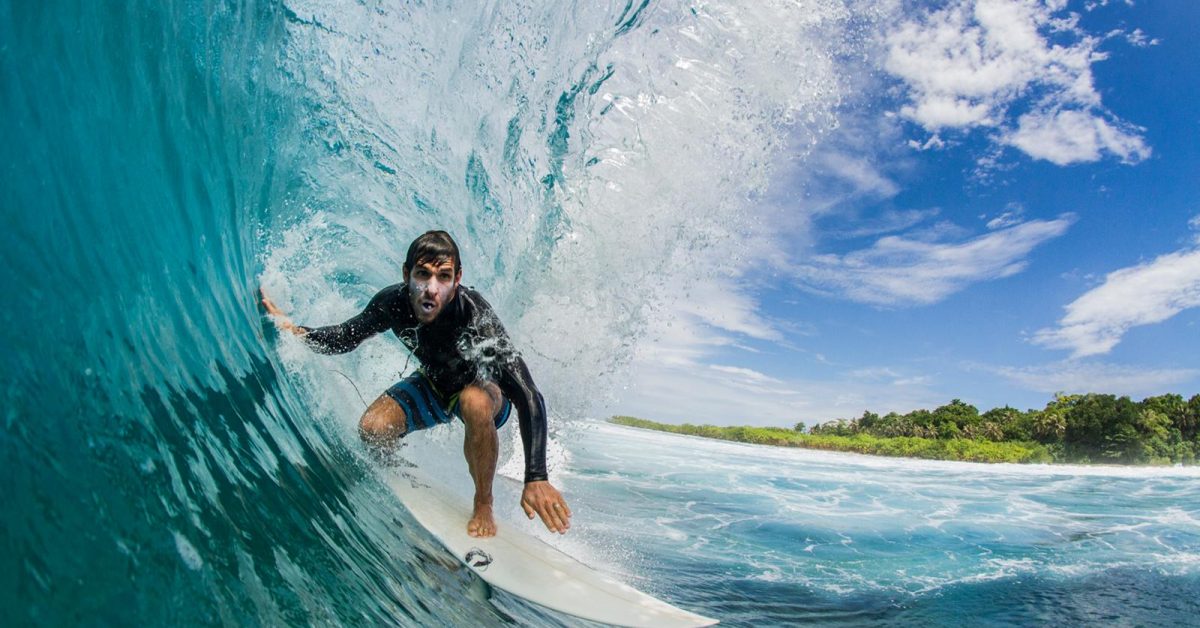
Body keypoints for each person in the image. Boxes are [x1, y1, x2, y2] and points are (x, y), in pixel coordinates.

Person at [260, 230, 571, 538]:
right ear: (406, 274)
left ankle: (483, 503)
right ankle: (397, 470)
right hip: (434, 386)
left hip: (485, 393)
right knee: (372, 429)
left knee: (473, 401)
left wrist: (536, 476)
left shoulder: (475, 319)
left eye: (444, 277)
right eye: (423, 275)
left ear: (457, 278)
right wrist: (295, 331)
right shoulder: (393, 304)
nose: (431, 289)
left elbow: (528, 392)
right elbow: (346, 337)